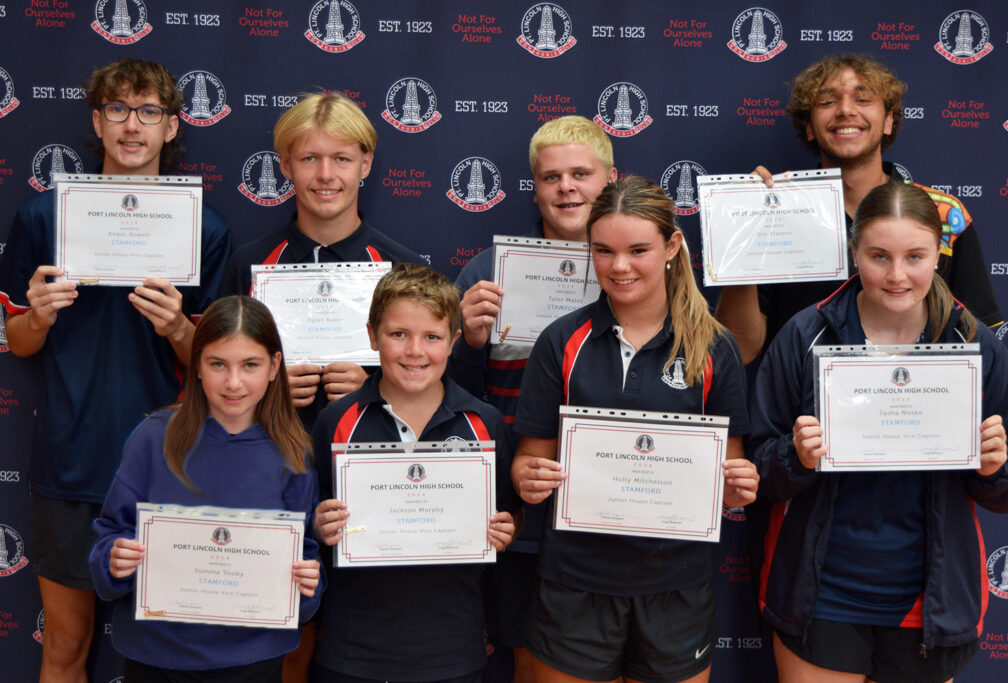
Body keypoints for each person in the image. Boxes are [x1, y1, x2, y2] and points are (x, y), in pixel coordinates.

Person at [0, 58, 231, 682]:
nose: (134, 126)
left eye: (149, 111)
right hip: (71, 461)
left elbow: (218, 366)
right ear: (97, 122)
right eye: (118, 111)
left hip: (171, 463)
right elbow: (18, 342)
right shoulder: (42, 218)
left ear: (172, 125)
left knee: (170, 655)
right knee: (65, 648)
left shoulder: (204, 229)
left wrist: (180, 327)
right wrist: (39, 317)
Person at [748, 182, 1008, 683]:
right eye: (879, 256)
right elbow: (755, 472)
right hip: (821, 593)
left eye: (915, 256)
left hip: (929, 600)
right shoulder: (805, 334)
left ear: (939, 256)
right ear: (854, 253)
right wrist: (796, 458)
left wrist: (995, 467)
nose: (897, 276)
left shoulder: (974, 344)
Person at [511, 177, 759, 683]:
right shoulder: (561, 341)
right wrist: (527, 478)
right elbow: (526, 461)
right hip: (575, 582)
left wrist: (738, 487)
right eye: (603, 250)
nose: (619, 267)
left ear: (671, 247)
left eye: (638, 250)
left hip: (677, 585)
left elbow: (732, 475)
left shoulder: (715, 347)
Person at [449, 115, 617, 682]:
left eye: (580, 173)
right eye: (551, 177)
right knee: (529, 657)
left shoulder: (638, 268)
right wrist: (469, 345)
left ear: (610, 179)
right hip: (524, 504)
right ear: (536, 188)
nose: (566, 187)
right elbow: (450, 405)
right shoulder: (488, 274)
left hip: (617, 499)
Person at [89, 295, 322, 680]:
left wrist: (308, 583)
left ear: (274, 366)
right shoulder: (153, 438)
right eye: (218, 364)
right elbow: (109, 539)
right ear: (197, 365)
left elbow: (306, 560)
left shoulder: (294, 453)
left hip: (252, 659)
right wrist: (114, 560)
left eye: (250, 365)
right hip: (157, 655)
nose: (234, 382)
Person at [715, 53, 1002, 364]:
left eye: (863, 99)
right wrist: (743, 231)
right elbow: (740, 351)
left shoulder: (945, 214)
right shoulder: (775, 213)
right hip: (802, 407)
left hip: (916, 402)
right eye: (827, 103)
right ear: (809, 126)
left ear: (889, 120)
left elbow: (978, 346)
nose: (846, 110)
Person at [311, 262, 521, 682]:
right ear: (372, 336)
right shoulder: (336, 422)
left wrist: (506, 529)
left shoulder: (485, 424)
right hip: (353, 650)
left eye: (432, 337)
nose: (414, 352)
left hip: (452, 650)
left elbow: (512, 515)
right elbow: (309, 520)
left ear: (453, 341)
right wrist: (317, 525)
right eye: (398, 335)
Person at [221, 93, 426, 430]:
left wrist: (376, 389)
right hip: (271, 460)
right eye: (310, 158)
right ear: (286, 166)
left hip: (370, 466)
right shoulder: (250, 265)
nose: (326, 174)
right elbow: (218, 370)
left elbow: (435, 387)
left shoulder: (407, 271)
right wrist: (263, 385)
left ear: (366, 164)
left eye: (341, 158)